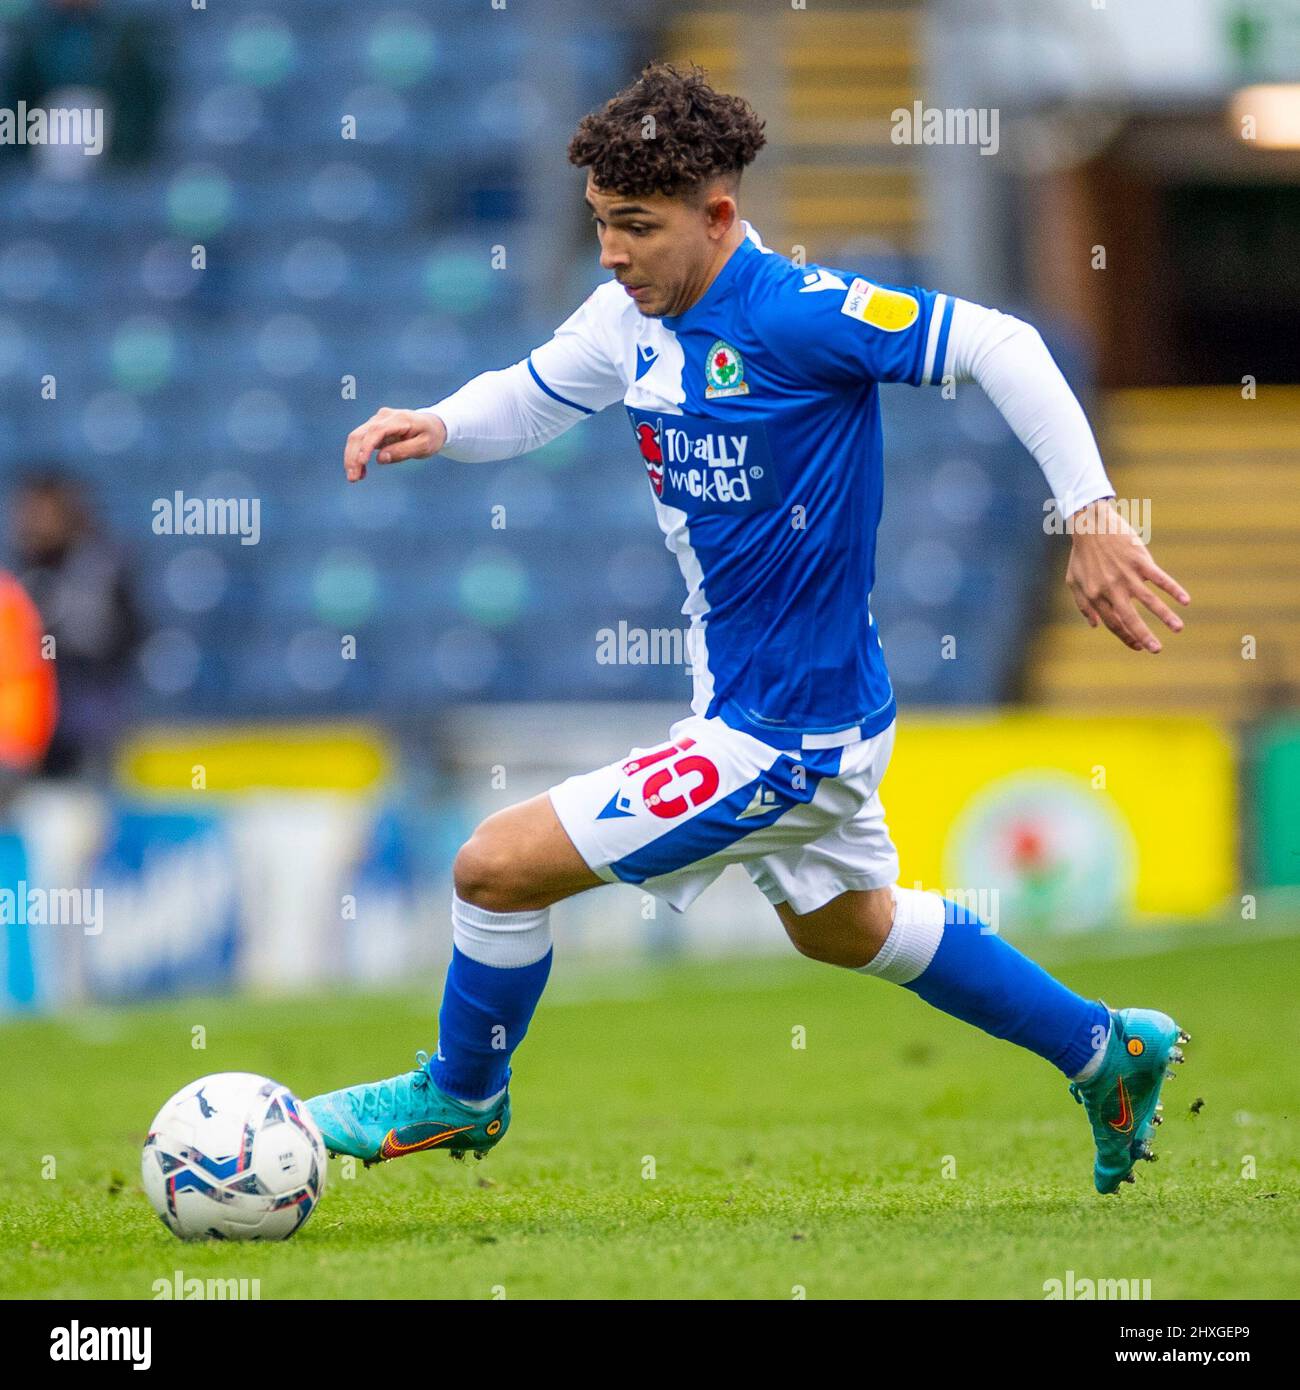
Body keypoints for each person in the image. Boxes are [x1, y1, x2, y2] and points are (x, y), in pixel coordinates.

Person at [308, 63, 1191, 1194]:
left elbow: (1003, 345)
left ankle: (459, 1095)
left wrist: (1091, 514)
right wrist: (438, 420)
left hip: (783, 736)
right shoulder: (625, 314)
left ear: (718, 217)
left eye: (636, 227)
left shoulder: (796, 312)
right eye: (599, 225)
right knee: (842, 926)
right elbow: (534, 393)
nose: (612, 253)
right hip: (769, 709)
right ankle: (1104, 1049)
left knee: (491, 870)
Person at [9, 473, 141, 779]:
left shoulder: (102, 568)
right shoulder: (16, 572)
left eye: (46, 512)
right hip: (24, 735)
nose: (37, 523)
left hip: (86, 725)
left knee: (81, 816)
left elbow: (117, 639)